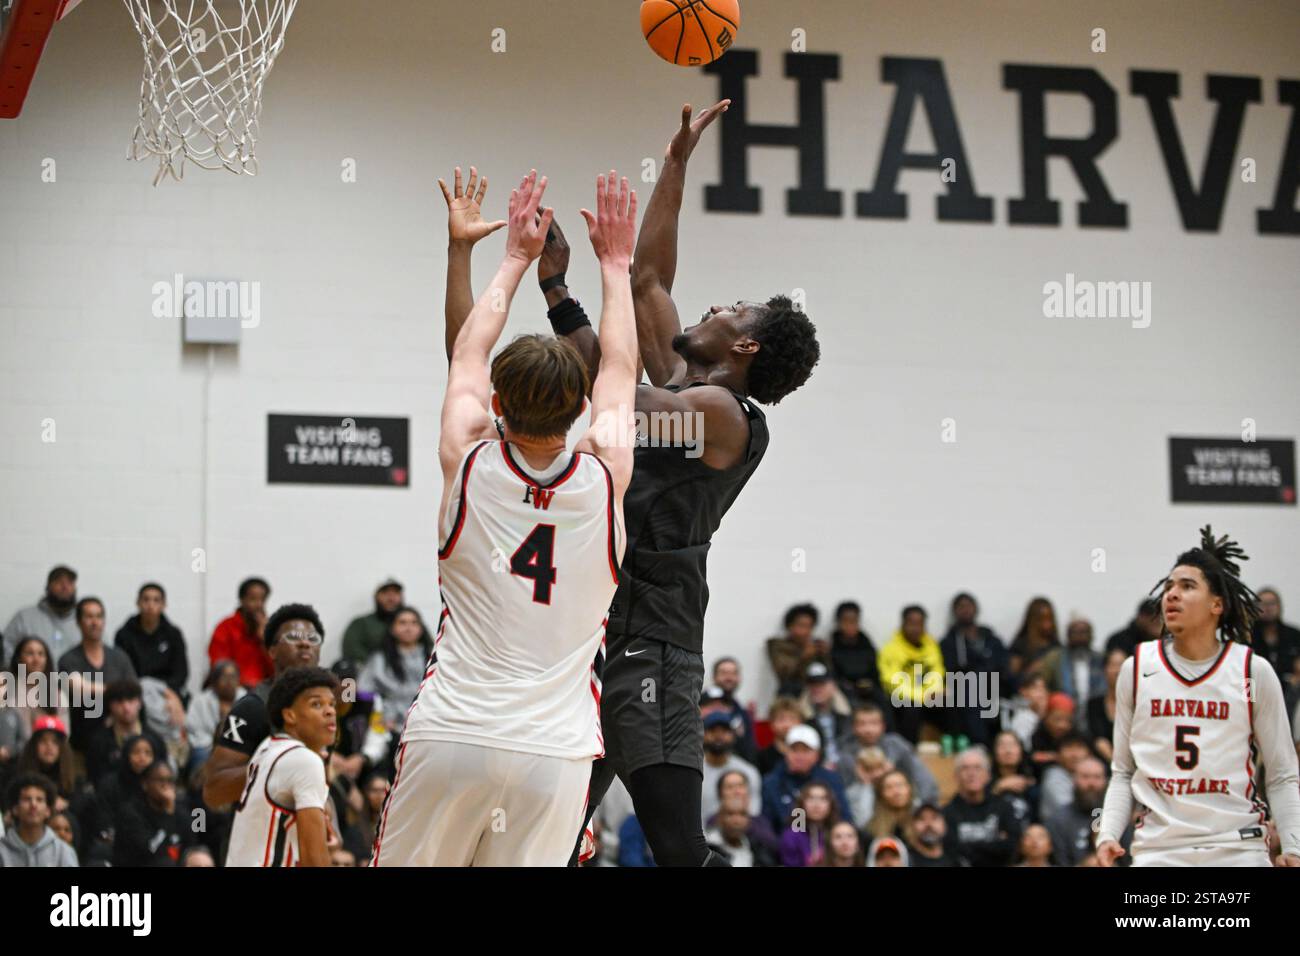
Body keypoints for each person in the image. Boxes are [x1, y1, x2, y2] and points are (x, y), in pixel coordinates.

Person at [554, 100, 821, 867]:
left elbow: (611, 394)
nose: (711, 303)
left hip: (653, 651)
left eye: (732, 308)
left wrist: (569, 294)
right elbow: (647, 276)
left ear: (743, 343)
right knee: (550, 822)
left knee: (680, 851)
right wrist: (675, 160)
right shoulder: (683, 381)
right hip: (601, 635)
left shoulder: (724, 416)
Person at [373, 167, 638, 868]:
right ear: (582, 409)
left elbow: (467, 349)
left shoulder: (469, 458)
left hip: (454, 732)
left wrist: (513, 259)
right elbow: (620, 363)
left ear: (496, 404)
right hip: (555, 754)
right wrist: (616, 265)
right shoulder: (607, 472)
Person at [1097, 527, 1300, 867]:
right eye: (1168, 587)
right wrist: (1107, 834)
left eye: (1187, 586)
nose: (1171, 594)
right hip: (1159, 851)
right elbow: (1122, 772)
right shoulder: (1138, 668)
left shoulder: (1252, 670)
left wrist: (1293, 845)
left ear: (1217, 605)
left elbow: (1281, 773)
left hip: (1237, 849)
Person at [201, 604, 324, 808]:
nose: (304, 643)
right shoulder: (252, 708)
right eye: (293, 637)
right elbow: (213, 790)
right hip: (256, 832)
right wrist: (275, 765)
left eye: (313, 638)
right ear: (272, 650)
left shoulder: (324, 709)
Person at [226, 667, 337, 867]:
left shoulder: (267, 747)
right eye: (316, 704)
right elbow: (314, 860)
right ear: (290, 715)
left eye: (332, 704)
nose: (330, 711)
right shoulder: (303, 761)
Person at [56, 598, 138, 753]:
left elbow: (134, 692)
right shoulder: (68, 659)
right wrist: (117, 691)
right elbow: (80, 689)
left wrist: (99, 690)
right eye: (89, 617)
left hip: (119, 737)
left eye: (99, 616)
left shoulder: (119, 657)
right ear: (79, 622)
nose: (95, 622)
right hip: (82, 738)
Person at [940, 592, 1010, 747]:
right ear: (955, 611)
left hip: (994, 685)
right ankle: (980, 742)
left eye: (969, 606)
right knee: (972, 685)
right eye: (961, 607)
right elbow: (950, 670)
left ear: (976, 609)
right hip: (964, 687)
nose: (965, 610)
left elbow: (1003, 663)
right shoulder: (949, 641)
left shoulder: (991, 638)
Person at [836, 701, 940, 804]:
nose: (868, 729)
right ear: (854, 727)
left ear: (883, 726)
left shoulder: (896, 744)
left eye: (874, 723)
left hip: (899, 803)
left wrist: (924, 805)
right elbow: (843, 792)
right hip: (861, 805)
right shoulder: (844, 752)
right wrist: (859, 777)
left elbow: (921, 776)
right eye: (862, 724)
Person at [358, 606, 432, 740]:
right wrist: (380, 717)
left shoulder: (434, 658)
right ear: (392, 629)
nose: (408, 627)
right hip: (389, 727)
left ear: (421, 629)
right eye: (402, 622)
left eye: (414, 623)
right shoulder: (379, 659)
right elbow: (363, 691)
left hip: (429, 723)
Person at [760, 724, 851, 831]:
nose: (799, 756)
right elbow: (767, 824)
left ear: (817, 754)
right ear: (786, 752)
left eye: (805, 751)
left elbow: (844, 818)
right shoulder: (772, 783)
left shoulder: (831, 780)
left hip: (828, 841)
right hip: (785, 843)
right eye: (794, 750)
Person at [878, 605, 947, 744]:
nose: (915, 628)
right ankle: (909, 748)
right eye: (911, 624)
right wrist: (923, 696)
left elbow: (937, 672)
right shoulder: (890, 649)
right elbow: (892, 682)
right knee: (912, 707)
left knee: (953, 700)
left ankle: (954, 746)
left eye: (919, 624)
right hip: (901, 698)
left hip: (927, 695)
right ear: (903, 624)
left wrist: (934, 691)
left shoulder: (931, 646)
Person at [943, 746, 1021, 867]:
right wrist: (995, 844)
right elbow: (952, 852)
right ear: (956, 776)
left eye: (977, 768)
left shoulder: (1004, 807)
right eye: (965, 768)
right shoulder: (946, 813)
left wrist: (968, 846)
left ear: (988, 775)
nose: (971, 773)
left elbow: (1011, 846)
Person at [113, 582, 189, 702]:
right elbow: (121, 670)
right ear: (138, 603)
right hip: (135, 693)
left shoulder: (173, 634)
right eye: (146, 600)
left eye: (156, 600)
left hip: (167, 692)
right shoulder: (124, 634)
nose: (150, 605)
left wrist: (166, 692)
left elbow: (181, 673)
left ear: (164, 605)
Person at [84, 679, 168, 784]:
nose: (126, 707)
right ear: (110, 706)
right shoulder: (99, 742)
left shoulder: (155, 741)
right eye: (119, 702)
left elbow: (162, 777)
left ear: (140, 703)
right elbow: (96, 779)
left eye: (131, 700)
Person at [111, 759, 192, 866]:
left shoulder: (181, 812)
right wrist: (167, 814)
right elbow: (150, 851)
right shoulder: (130, 813)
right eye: (160, 780)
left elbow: (190, 847)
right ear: (145, 783)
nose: (166, 785)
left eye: (170, 780)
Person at [2, 565, 80, 663]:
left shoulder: (85, 620)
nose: (65, 587)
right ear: (48, 587)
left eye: (69, 583)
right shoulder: (25, 618)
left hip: (77, 678)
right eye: (59, 582)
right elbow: (6, 649)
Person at [1044, 755, 1111, 867]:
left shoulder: (1116, 820)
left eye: (1097, 777)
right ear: (1073, 780)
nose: (1091, 783)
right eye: (1085, 777)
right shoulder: (1057, 821)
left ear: (1105, 781)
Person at [0, 774, 79, 867]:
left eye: (39, 800)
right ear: (15, 809)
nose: (33, 805)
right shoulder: (2, 850)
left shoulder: (63, 851)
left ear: (48, 811)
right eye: (27, 799)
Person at [208, 577, 273, 689]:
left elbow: (276, 668)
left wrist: (264, 640)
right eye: (253, 599)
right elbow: (218, 665)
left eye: (262, 600)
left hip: (264, 689)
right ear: (242, 600)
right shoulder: (225, 627)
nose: (258, 605)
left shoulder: (269, 628)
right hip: (233, 689)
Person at [699, 712, 761, 825]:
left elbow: (753, 814)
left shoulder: (748, 772)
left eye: (724, 731)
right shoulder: (693, 772)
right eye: (713, 731)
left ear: (733, 735)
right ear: (703, 734)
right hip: (699, 836)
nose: (718, 736)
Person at [185, 660, 245, 771]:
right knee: (200, 759)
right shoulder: (200, 701)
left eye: (233, 677)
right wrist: (215, 746)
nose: (229, 682)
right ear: (214, 682)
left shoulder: (246, 699)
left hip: (240, 749)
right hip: (206, 747)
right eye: (224, 677)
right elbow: (194, 730)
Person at [1042, 616, 1104, 718]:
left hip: (1095, 715)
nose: (1080, 637)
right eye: (1075, 632)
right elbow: (1044, 686)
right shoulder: (1055, 658)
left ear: (1091, 636)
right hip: (1063, 716)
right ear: (1068, 635)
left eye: (1084, 632)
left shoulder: (1101, 659)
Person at [828, 601, 881, 708]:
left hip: (868, 689)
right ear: (838, 623)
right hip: (845, 690)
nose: (850, 625)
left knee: (884, 701)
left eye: (854, 621)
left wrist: (869, 684)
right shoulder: (832, 647)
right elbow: (833, 676)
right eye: (846, 621)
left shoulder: (867, 645)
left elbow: (875, 673)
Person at [799, 661, 851, 769]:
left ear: (833, 686)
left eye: (822, 684)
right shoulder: (800, 717)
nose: (817, 689)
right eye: (812, 684)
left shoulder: (849, 712)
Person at [767, 604, 827, 697]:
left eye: (810, 626)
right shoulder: (778, 646)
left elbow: (827, 674)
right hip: (791, 696)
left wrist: (825, 655)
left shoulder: (815, 646)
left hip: (815, 696)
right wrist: (803, 657)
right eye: (802, 626)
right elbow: (784, 675)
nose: (806, 631)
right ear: (789, 626)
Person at [341, 579, 406, 665]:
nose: (391, 598)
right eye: (386, 593)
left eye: (395, 593)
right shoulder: (361, 623)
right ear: (377, 597)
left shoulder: (413, 624)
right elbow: (351, 649)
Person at [706, 657, 758, 763]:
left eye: (733, 673)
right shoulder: (700, 704)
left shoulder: (741, 713)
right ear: (714, 677)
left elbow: (748, 747)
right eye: (724, 673)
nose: (729, 678)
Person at [779, 781, 841, 867]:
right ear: (802, 803)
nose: (816, 805)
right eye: (811, 798)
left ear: (831, 804)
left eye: (823, 799)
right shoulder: (791, 836)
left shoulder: (838, 832)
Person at [989, 730, 1038, 828]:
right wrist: (998, 787)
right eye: (1002, 746)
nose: (1008, 751)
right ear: (994, 753)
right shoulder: (985, 783)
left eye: (1012, 745)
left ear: (1021, 752)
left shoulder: (1031, 784)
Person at [1252, 588, 1300, 688]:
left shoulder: (1294, 635)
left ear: (1279, 606)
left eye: (1271, 603)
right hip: (1256, 690)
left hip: (1289, 691)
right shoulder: (1247, 637)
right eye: (1262, 604)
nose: (1267, 608)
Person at [1087, 648, 1126, 762]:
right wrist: (1117, 765)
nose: (1117, 670)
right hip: (1104, 761)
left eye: (1121, 665)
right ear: (1105, 669)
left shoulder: (1139, 702)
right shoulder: (1094, 703)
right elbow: (1099, 740)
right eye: (1113, 665)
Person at [1009, 596, 1060, 677]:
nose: (1047, 624)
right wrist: (1031, 670)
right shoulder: (1020, 645)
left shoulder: (1056, 645)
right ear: (1033, 620)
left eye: (1050, 618)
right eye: (1042, 619)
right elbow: (1011, 678)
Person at [756, 697, 804, 775]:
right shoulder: (762, 757)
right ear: (771, 724)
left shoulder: (808, 755)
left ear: (801, 723)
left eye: (792, 719)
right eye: (781, 719)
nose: (787, 725)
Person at [905, 802, 959, 867]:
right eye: (921, 818)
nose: (929, 824)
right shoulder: (905, 860)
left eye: (934, 817)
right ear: (912, 825)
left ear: (945, 824)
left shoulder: (957, 859)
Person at [866, 769, 915, 840]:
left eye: (900, 785)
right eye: (889, 788)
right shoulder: (871, 830)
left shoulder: (920, 821)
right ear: (881, 794)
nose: (896, 792)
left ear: (909, 789)